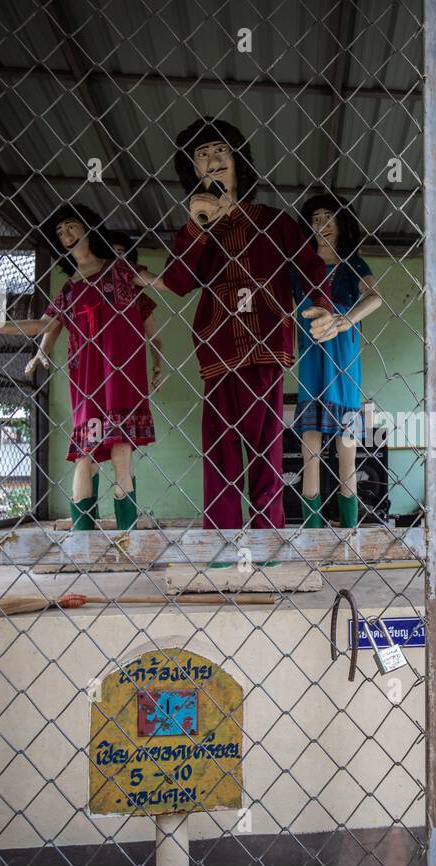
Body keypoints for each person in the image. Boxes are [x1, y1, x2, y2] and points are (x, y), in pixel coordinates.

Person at [154, 117, 339, 545]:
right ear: (193, 172)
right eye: (201, 156)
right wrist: (196, 229)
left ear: (239, 163)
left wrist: (322, 306)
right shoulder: (195, 228)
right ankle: (219, 547)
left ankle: (266, 546)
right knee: (218, 456)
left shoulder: (274, 221)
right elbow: (180, 282)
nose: (212, 160)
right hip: (216, 352)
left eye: (220, 151)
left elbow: (310, 266)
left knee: (265, 454)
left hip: (266, 348)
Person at [0, 204, 163, 530]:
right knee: (85, 457)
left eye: (71, 227)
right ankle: (83, 542)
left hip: (124, 380)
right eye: (60, 233)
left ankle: (126, 543)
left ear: (89, 228)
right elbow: (40, 326)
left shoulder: (121, 271)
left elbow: (162, 285)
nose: (66, 236)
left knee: (121, 457)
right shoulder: (70, 290)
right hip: (87, 384)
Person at [292, 193, 383, 529]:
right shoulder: (298, 267)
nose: (321, 225)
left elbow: (375, 296)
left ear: (342, 223)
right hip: (311, 356)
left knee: (348, 450)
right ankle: (312, 533)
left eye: (328, 217)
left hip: (344, 357)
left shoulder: (352, 264)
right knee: (310, 450)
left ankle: (349, 531)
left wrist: (345, 319)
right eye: (314, 218)